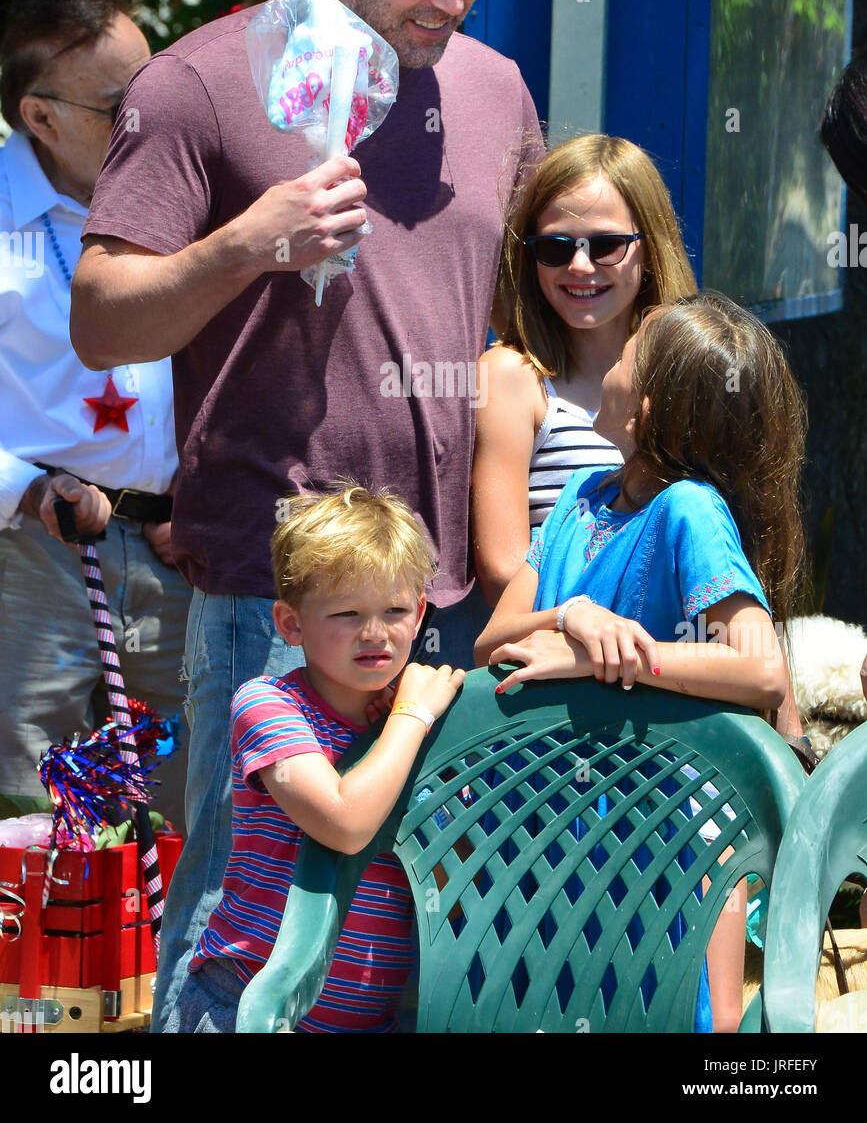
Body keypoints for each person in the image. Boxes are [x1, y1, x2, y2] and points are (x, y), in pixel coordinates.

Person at [69, 0, 543, 1027]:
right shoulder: (200, 84)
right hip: (271, 603)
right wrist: (242, 246)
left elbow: (532, 312)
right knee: (244, 933)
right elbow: (103, 319)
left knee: (414, 936)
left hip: (443, 605)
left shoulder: (493, 91)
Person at [474, 292, 806, 1031]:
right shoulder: (575, 499)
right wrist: (571, 617)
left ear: (648, 408)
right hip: (541, 831)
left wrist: (617, 658)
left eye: (627, 354)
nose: (608, 358)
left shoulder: (687, 508)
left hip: (644, 842)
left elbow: (760, 671)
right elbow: (491, 643)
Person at [164, 482, 464, 1033]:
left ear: (420, 614)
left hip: (370, 1021)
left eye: (395, 609)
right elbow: (343, 823)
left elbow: (456, 877)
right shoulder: (268, 704)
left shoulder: (421, 729)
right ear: (291, 623)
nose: (375, 632)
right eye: (347, 613)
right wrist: (412, 719)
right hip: (246, 1006)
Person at [0, 0, 191, 831]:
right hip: (33, 550)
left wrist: (207, 495)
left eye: (157, 88)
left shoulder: (191, 190)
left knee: (198, 814)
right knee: (30, 826)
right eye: (122, 104)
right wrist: (30, 490)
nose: (150, 119)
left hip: (178, 549)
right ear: (39, 117)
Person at [472, 134, 696, 610]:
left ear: (650, 247)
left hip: (670, 665)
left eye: (606, 245)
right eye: (554, 247)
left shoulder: (687, 376)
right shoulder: (512, 377)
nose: (579, 265)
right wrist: (598, 627)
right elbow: (502, 570)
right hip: (563, 663)